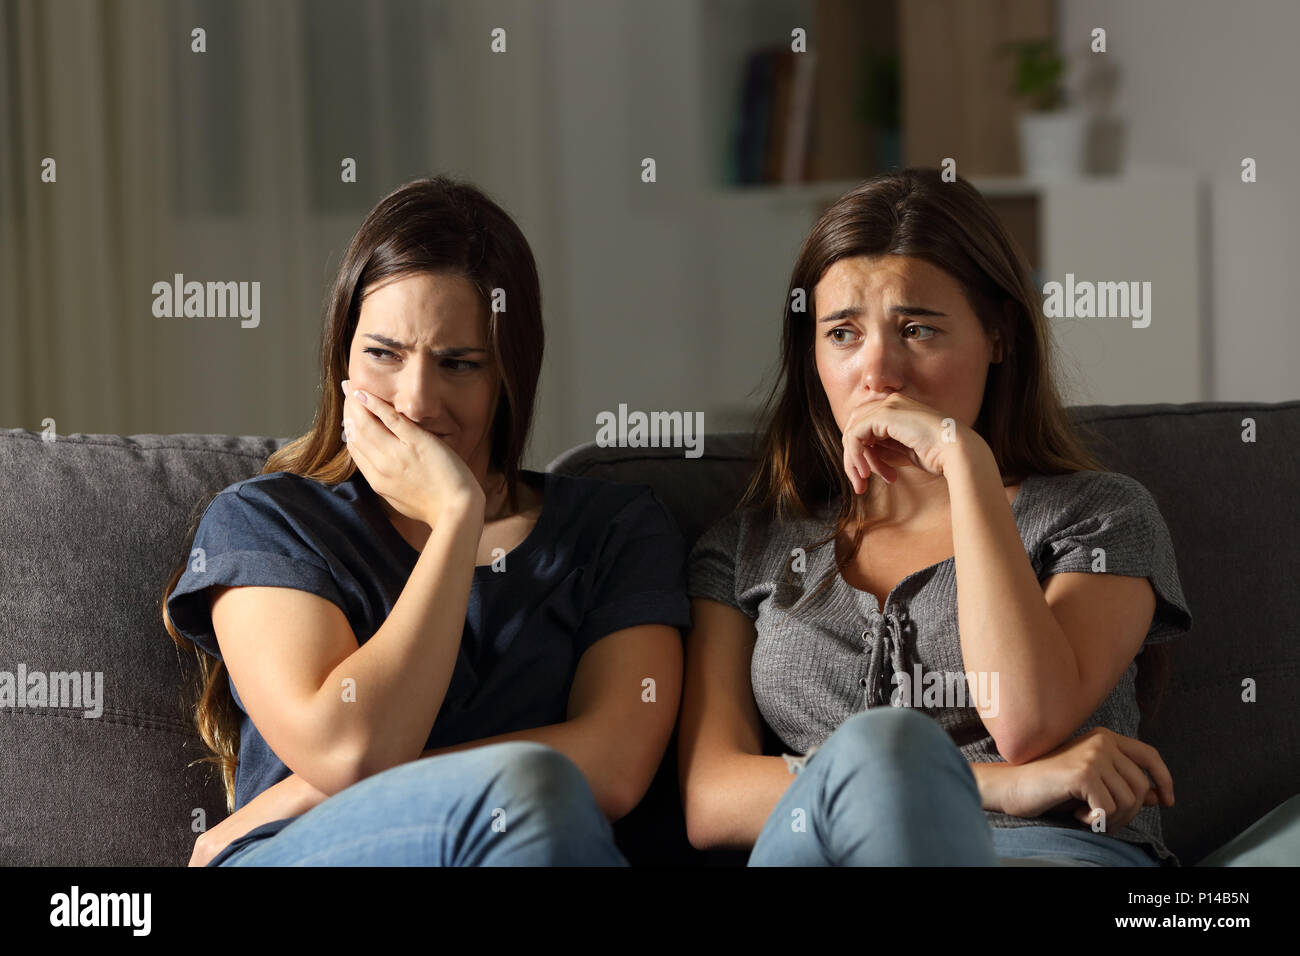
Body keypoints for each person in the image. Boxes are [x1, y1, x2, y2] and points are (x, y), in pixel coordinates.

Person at [162, 176, 689, 866]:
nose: (416, 401)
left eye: (458, 364)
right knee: (530, 789)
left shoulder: (615, 528)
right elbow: (350, 749)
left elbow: (614, 767)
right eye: (383, 354)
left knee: (533, 799)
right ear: (341, 358)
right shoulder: (266, 521)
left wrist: (297, 793)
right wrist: (456, 520)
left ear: (509, 377)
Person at [678, 167, 1194, 867]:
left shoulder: (1100, 517)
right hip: (826, 855)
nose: (878, 371)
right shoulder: (748, 548)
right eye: (842, 333)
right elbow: (712, 801)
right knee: (874, 754)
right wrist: (1004, 787)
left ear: (1000, 336)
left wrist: (965, 464)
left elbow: (1027, 723)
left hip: (1045, 855)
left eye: (917, 329)